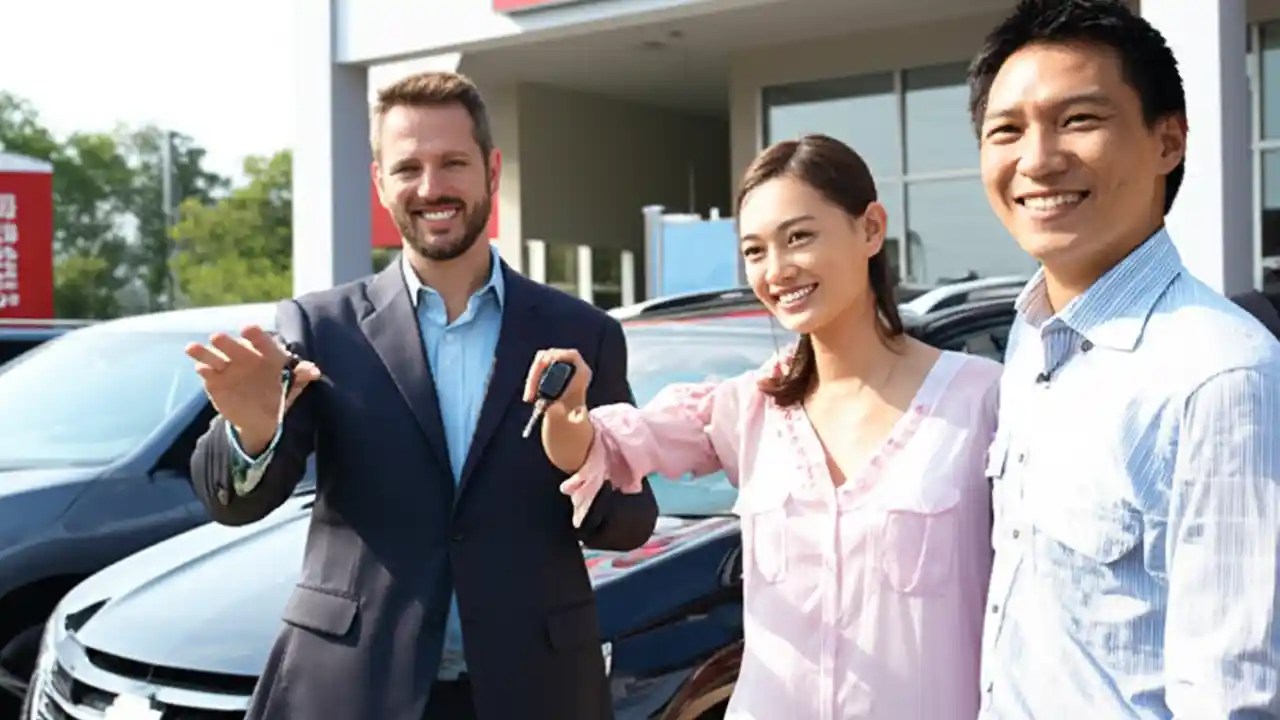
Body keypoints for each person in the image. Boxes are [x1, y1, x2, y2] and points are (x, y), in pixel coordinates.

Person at [183, 71, 659, 720]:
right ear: (381, 184)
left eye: (452, 163)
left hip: (534, 689)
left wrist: (583, 459)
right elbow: (233, 503)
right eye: (409, 167)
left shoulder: (582, 334)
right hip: (356, 688)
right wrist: (252, 436)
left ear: (491, 170)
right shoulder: (319, 327)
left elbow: (634, 522)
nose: (432, 187)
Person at [525, 134, 1002, 719]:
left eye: (799, 236)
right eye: (754, 251)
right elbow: (609, 446)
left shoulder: (981, 401)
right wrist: (567, 411)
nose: (776, 270)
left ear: (871, 229)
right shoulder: (749, 407)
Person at [968, 0, 1280, 717]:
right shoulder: (1030, 338)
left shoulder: (1219, 375)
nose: (1038, 160)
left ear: (1168, 141)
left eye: (1079, 120)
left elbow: (1230, 697)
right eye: (1006, 130)